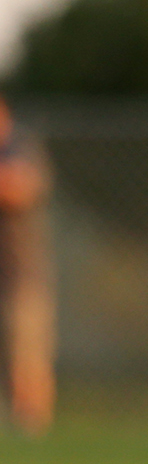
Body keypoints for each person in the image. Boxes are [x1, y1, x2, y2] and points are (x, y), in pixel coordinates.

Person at [0, 97, 54, 437]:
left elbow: (21, 189)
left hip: (19, 272)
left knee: (26, 351)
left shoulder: (19, 146)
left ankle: (30, 426)